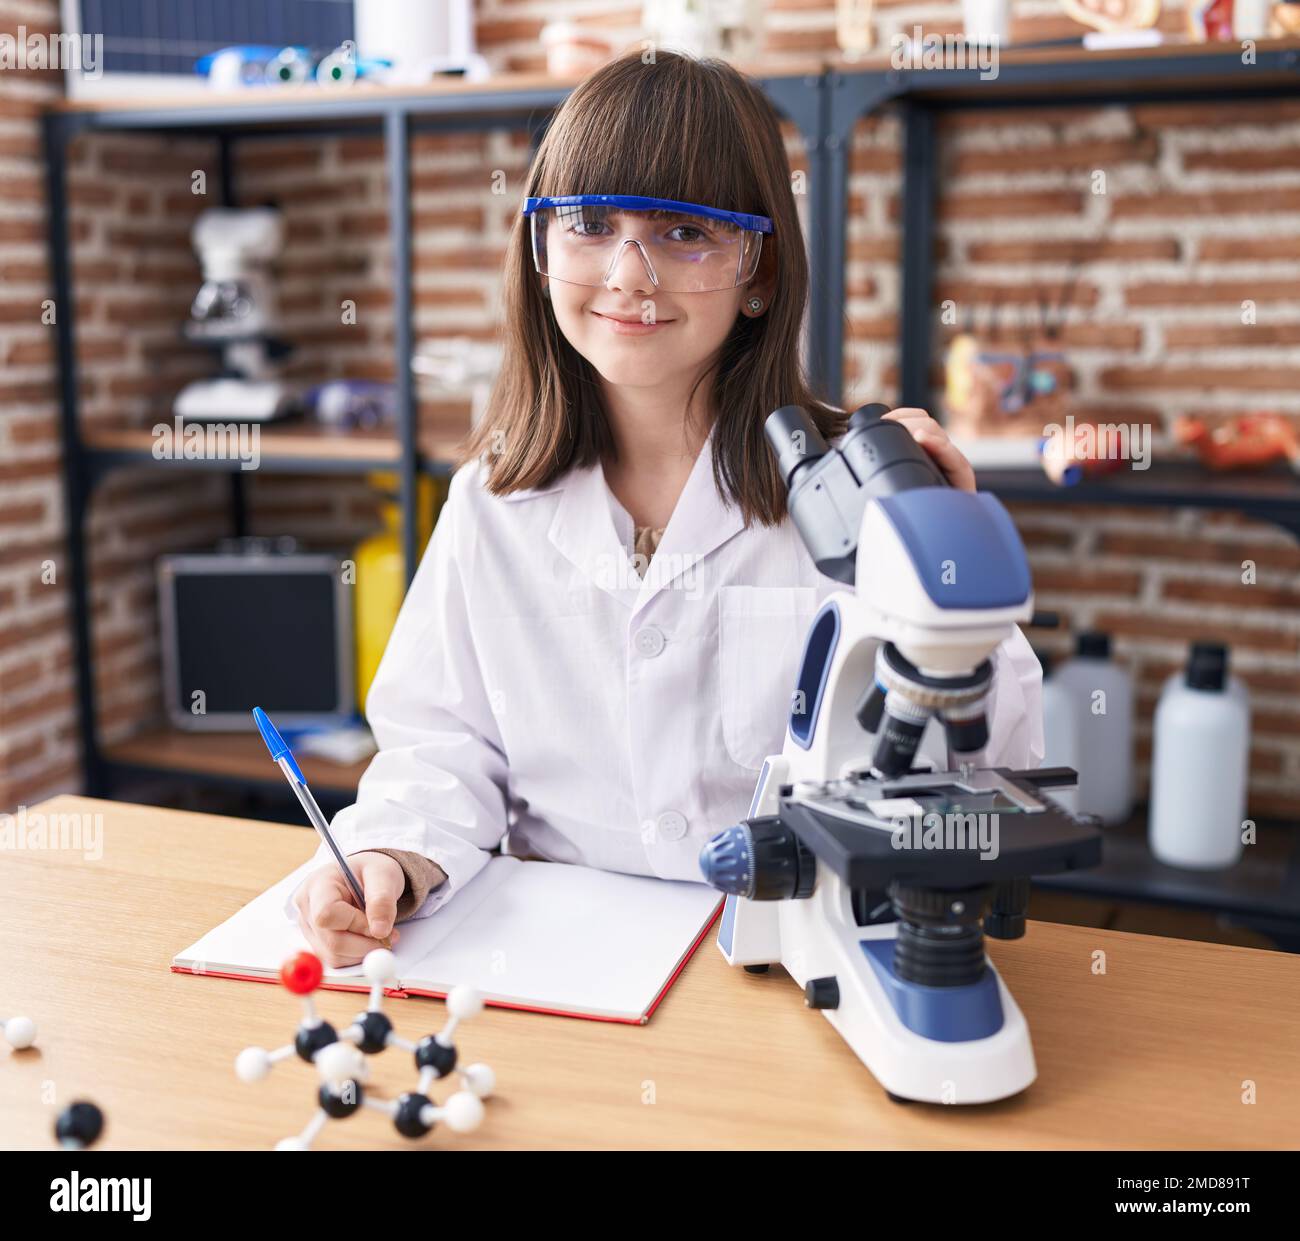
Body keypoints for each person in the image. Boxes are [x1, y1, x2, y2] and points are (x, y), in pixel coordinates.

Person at [293, 51, 1043, 967]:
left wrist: (948, 574)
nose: (629, 271)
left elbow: (988, 766)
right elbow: (441, 747)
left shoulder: (858, 491)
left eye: (686, 231)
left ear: (759, 271)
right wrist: (387, 857)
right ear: (539, 252)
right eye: (590, 223)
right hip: (558, 959)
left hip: (793, 955)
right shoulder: (494, 499)